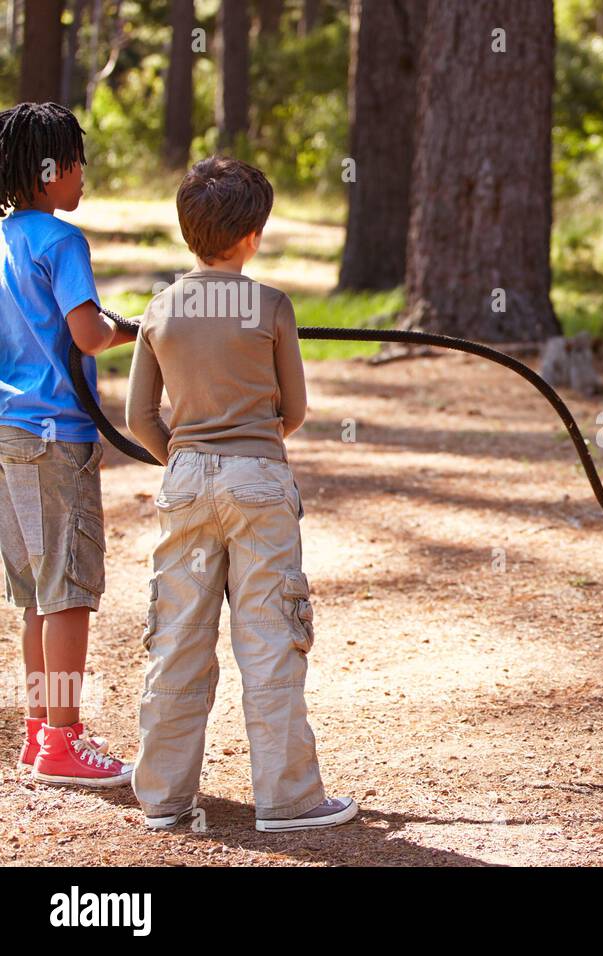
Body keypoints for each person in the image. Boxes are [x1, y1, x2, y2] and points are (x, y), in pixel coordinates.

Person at [125, 156, 356, 830]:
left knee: (177, 637)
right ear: (253, 235)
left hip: (187, 479)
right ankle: (288, 799)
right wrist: (251, 447)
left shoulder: (160, 308)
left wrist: (188, 459)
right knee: (270, 638)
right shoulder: (271, 305)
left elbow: (140, 418)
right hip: (258, 478)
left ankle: (164, 798)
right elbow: (297, 410)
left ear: (187, 231)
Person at [0, 102, 136, 785]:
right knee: (71, 594)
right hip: (58, 442)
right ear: (50, 173)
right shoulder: (60, 243)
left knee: (35, 597)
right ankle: (63, 738)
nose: (83, 174)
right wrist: (129, 329)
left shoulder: (1, 241)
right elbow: (88, 334)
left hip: (10, 437)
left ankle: (37, 732)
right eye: (75, 162)